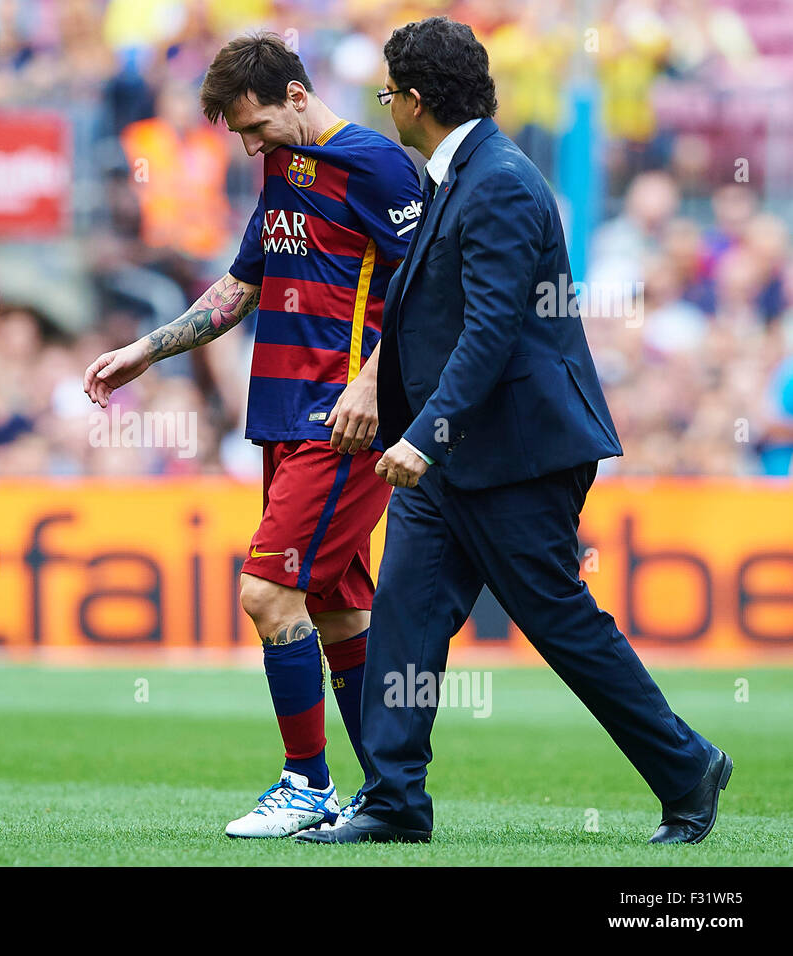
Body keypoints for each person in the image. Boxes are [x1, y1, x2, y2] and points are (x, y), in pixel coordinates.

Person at [300, 17, 729, 846]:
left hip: (515, 452)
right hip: (453, 455)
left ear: (416, 100)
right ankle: (394, 801)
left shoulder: (496, 180)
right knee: (406, 619)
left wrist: (421, 435)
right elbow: (439, 317)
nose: (387, 106)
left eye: (389, 94)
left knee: (560, 621)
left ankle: (687, 768)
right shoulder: (459, 173)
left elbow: (491, 331)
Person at [83, 32, 421, 838]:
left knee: (267, 594)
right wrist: (146, 349)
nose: (249, 143)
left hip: (340, 422)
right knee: (339, 611)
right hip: (279, 414)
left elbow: (427, 286)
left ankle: (307, 784)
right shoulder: (284, 166)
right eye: (238, 132)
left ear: (298, 96)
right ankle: (390, 793)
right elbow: (244, 283)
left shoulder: (377, 165)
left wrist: (373, 382)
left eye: (256, 126)